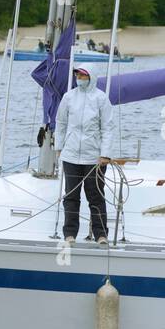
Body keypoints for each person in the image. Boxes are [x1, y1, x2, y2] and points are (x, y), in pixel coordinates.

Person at [55, 64, 112, 245]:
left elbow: (108, 128)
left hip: (93, 157)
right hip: (71, 154)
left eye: (83, 75)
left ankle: (101, 234)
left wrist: (105, 155)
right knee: (71, 195)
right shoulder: (68, 97)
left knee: (95, 195)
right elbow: (61, 123)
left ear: (91, 77)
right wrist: (59, 147)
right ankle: (69, 233)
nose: (79, 77)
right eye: (77, 74)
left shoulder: (101, 99)